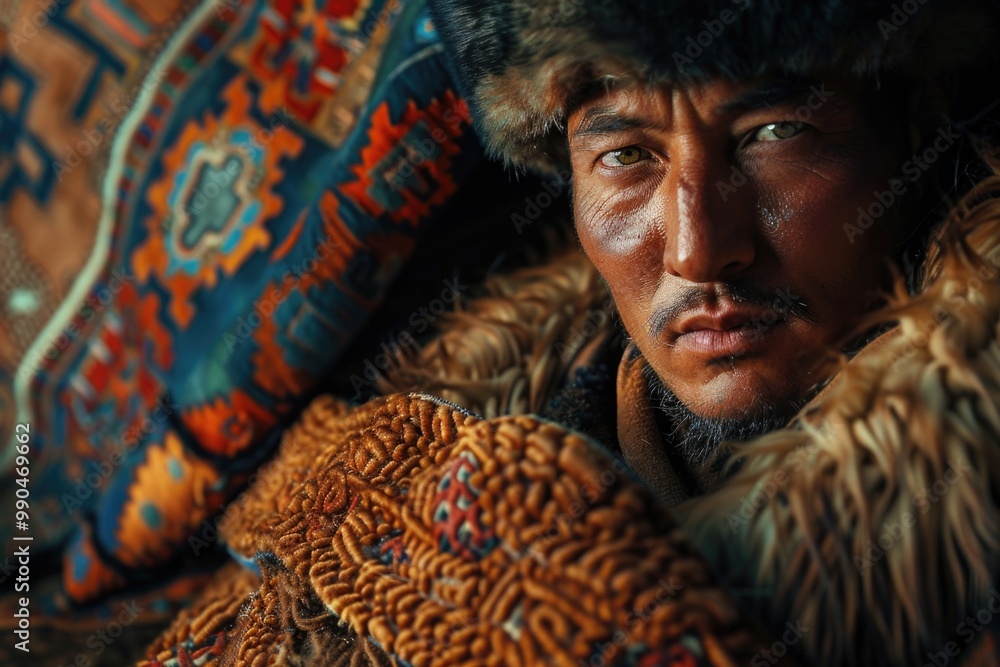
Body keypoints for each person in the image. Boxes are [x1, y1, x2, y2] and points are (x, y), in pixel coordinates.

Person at [135, 0, 1000, 665]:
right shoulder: (439, 436)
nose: (700, 249)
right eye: (626, 156)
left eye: (773, 134)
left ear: (912, 137)